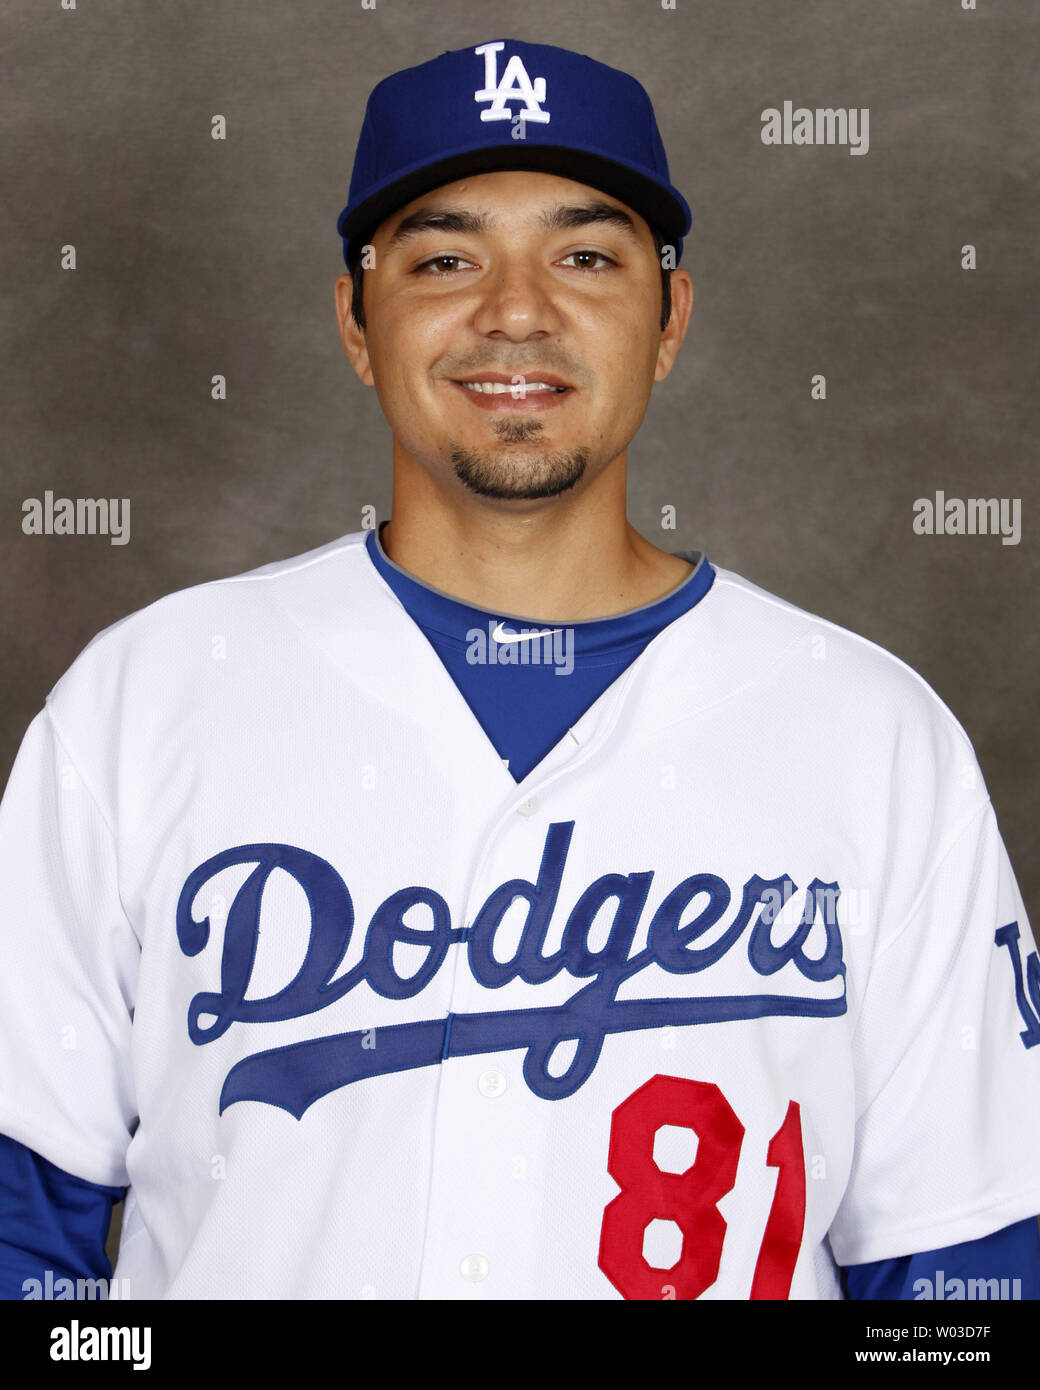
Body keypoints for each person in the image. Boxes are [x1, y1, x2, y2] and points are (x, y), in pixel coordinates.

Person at [1, 37, 1038, 1301]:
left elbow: (964, 1267)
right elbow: (22, 1230)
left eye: (586, 256)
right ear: (353, 320)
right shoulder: (140, 703)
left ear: (669, 319)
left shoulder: (873, 737)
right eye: (444, 257)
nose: (515, 311)